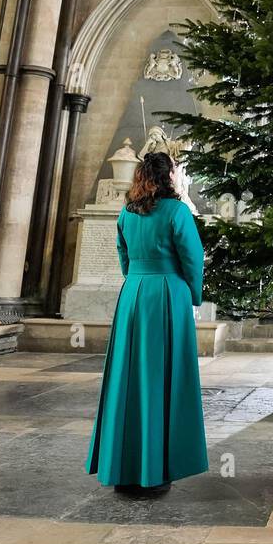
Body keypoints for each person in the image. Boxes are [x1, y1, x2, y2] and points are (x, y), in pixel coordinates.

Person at [86, 152, 208, 494]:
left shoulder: (127, 212)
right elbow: (192, 258)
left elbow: (124, 257)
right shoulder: (177, 211)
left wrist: (138, 279)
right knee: (162, 378)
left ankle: (122, 469)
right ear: (169, 176)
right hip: (168, 295)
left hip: (134, 294)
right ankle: (155, 470)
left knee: (128, 378)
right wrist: (191, 295)